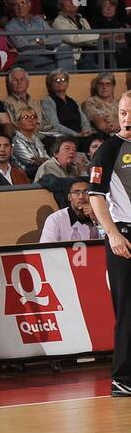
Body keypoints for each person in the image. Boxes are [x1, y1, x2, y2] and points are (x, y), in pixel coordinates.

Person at [86, 92, 131, 395]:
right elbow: (95, 196)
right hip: (125, 236)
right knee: (127, 309)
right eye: (124, 113)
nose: (128, 119)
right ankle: (123, 379)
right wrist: (113, 233)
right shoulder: (108, 151)